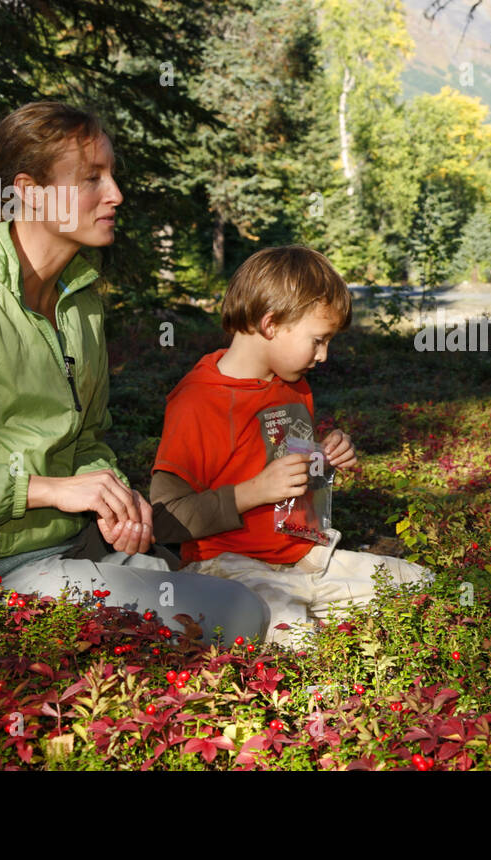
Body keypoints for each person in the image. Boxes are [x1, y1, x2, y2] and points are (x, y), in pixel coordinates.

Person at [0, 101, 270, 646]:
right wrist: (49, 489)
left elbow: (86, 440)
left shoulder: (80, 300)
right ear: (30, 190)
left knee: (257, 595)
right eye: (92, 178)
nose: (116, 194)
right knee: (242, 615)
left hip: (75, 548)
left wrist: (113, 500)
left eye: (113, 175)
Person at [150, 245, 433, 647]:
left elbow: (284, 467)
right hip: (226, 569)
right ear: (271, 324)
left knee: (421, 584)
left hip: (305, 561)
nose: (324, 356)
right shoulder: (200, 401)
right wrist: (253, 493)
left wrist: (325, 456)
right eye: (318, 341)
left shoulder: (293, 385)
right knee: (296, 635)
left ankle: (311, 616)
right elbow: (164, 518)